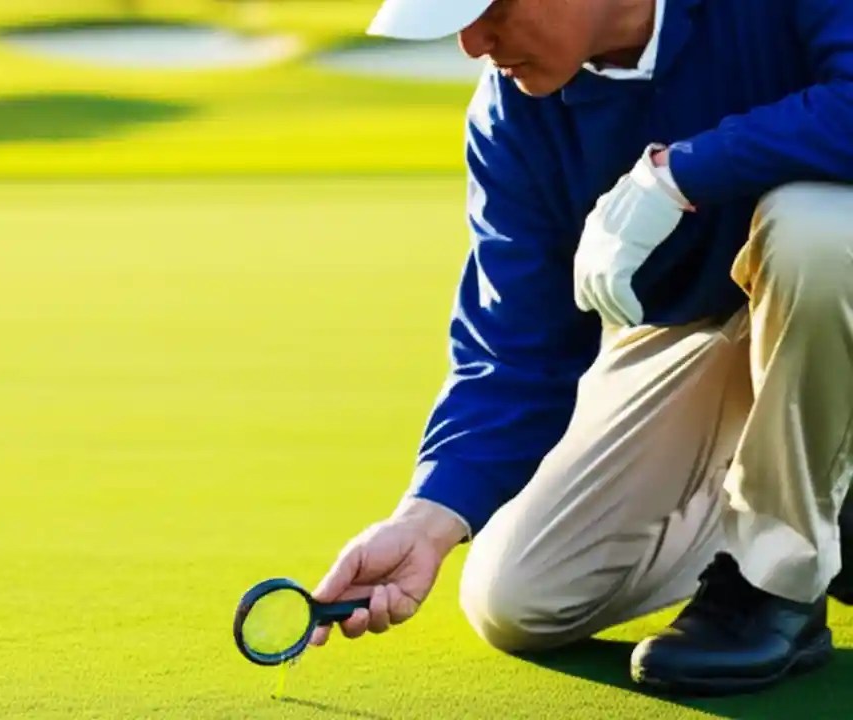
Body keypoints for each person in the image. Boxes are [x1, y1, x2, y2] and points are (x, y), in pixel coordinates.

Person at [309, 0, 853, 695]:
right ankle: (831, 498)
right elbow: (517, 351)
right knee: (520, 596)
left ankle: (775, 579)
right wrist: (428, 515)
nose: (474, 43)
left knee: (817, 229)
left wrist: (679, 174)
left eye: (492, 9)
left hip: (838, 290)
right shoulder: (511, 115)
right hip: (701, 339)